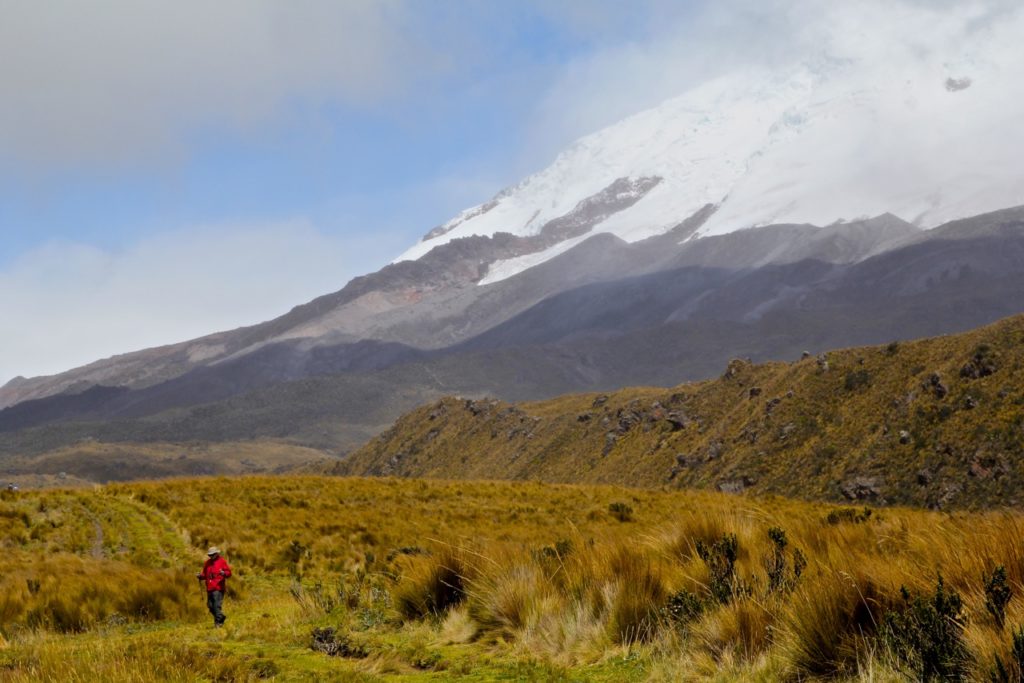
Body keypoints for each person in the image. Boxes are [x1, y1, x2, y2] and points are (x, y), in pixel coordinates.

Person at [197, 546, 232, 627]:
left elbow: (229, 573)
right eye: (209, 555)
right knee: (210, 606)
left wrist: (224, 573)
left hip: (218, 588)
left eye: (212, 554)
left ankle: (218, 623)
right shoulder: (207, 563)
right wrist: (200, 576)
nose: (211, 556)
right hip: (209, 588)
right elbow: (205, 575)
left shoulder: (222, 561)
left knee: (216, 606)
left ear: (216, 554)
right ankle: (221, 617)